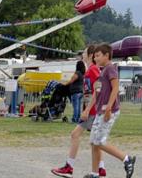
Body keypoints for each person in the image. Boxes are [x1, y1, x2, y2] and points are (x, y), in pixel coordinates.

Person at [51, 47, 102, 177]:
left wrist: (88, 109)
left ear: (90, 55)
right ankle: (101, 168)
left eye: (84, 52)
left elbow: (98, 90)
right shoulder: (89, 70)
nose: (82, 55)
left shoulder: (93, 69)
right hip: (92, 110)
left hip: (92, 111)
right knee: (96, 140)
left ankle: (69, 167)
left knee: (76, 135)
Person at [87, 43, 136, 178]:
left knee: (100, 141)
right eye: (94, 56)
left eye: (98, 56)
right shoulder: (102, 70)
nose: (95, 58)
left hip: (109, 111)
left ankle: (126, 159)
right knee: (93, 141)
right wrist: (89, 110)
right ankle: (94, 173)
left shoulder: (110, 68)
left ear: (106, 55)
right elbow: (98, 92)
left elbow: (115, 88)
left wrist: (108, 107)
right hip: (100, 111)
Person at [68, 60, 86, 125]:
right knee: (78, 106)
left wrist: (65, 84)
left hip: (75, 91)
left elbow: (72, 80)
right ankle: (78, 118)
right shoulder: (82, 74)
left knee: (75, 106)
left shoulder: (77, 73)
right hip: (80, 91)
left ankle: (74, 119)